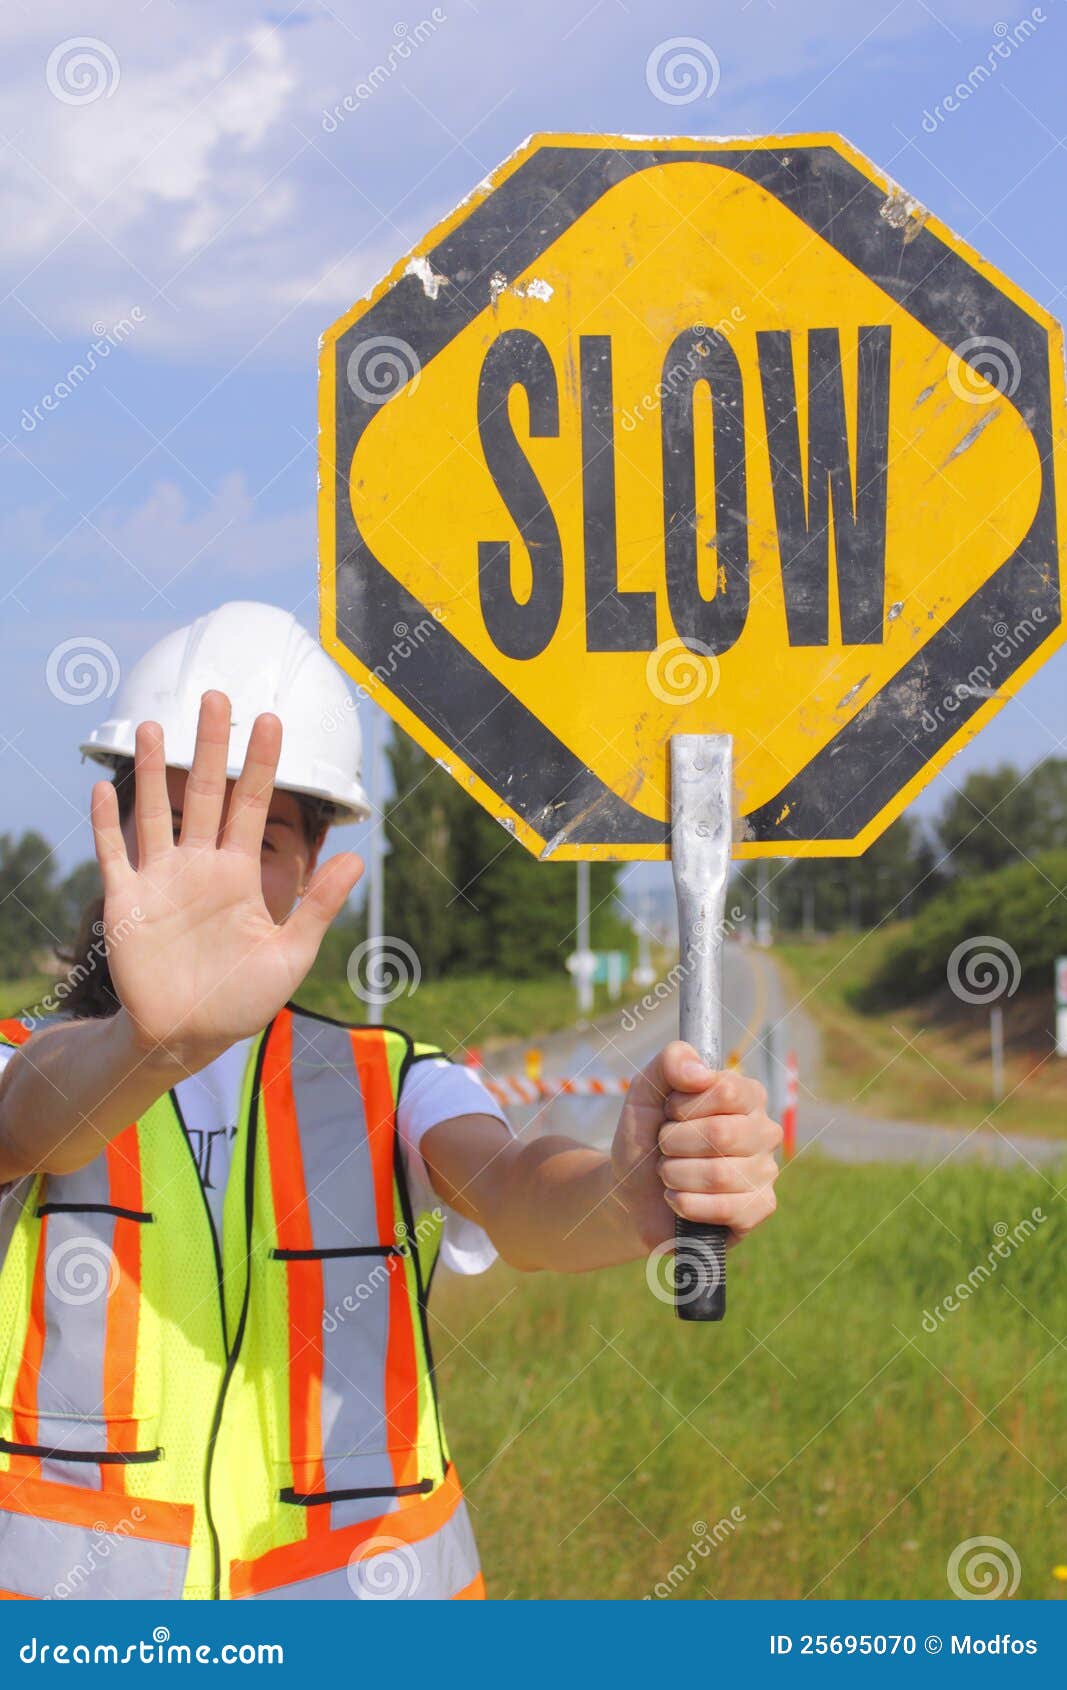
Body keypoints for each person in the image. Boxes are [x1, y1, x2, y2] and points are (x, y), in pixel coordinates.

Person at [0, 602, 782, 1602]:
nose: (218, 871)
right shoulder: (30, 1064)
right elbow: (28, 1118)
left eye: (262, 838)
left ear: (315, 860)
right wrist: (151, 1045)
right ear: (123, 832)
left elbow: (516, 1192)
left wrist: (623, 1191)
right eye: (187, 825)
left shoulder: (393, 1079)